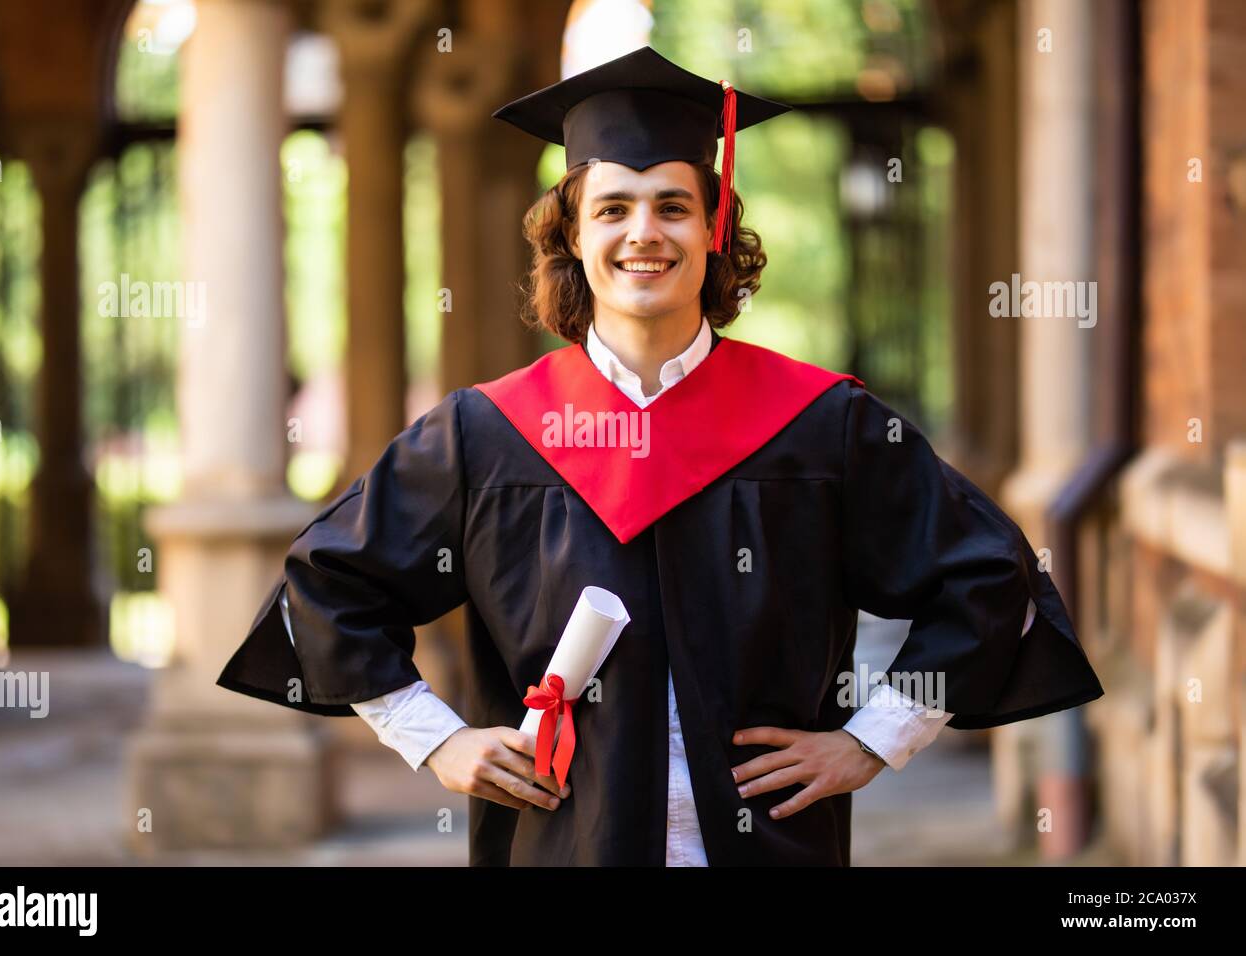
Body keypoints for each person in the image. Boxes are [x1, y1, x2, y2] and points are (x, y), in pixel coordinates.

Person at [216, 45, 1103, 866]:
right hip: (561, 842)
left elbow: (989, 577)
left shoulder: (818, 424)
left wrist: (871, 739)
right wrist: (436, 739)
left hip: (771, 847)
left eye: (673, 205)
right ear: (572, 235)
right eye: (613, 208)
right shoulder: (488, 434)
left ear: (713, 229)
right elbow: (328, 584)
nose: (645, 232)